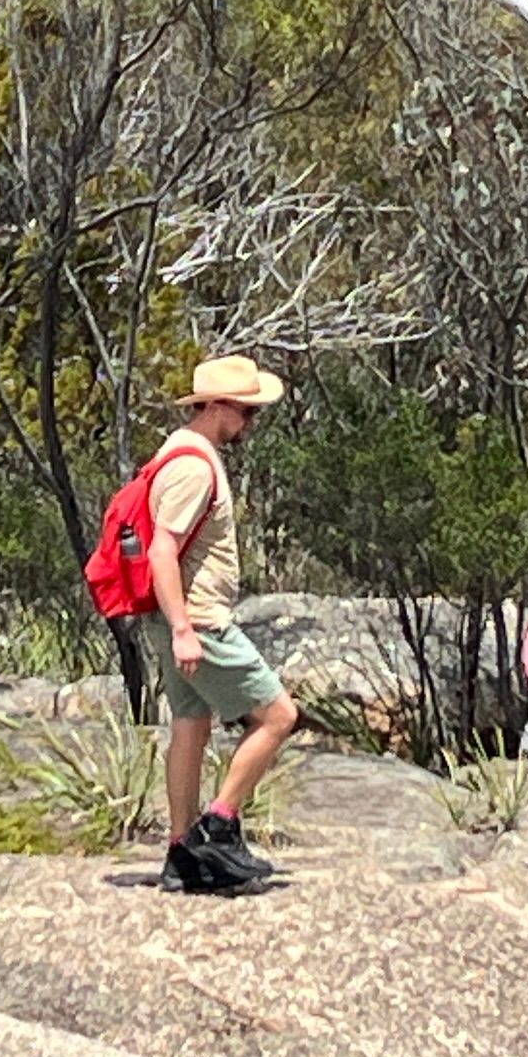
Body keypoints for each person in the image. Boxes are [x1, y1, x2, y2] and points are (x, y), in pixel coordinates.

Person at [143, 352, 306, 896]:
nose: (250, 422)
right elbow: (162, 550)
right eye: (245, 411)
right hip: (199, 622)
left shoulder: (182, 452)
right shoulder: (193, 466)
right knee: (279, 715)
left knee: (191, 725)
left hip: (179, 620)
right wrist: (185, 629)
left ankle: (181, 853)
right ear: (215, 407)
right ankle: (220, 824)